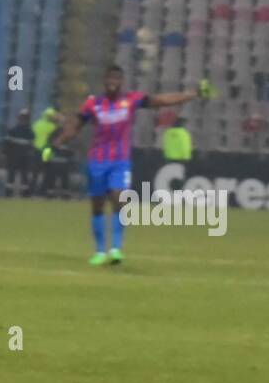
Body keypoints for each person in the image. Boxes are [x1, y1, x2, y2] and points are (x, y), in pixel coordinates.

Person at [44, 65, 213, 265]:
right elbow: (75, 128)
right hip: (97, 161)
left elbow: (163, 100)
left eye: (117, 78)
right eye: (110, 77)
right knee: (97, 206)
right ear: (105, 80)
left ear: (122, 81)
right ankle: (99, 251)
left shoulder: (131, 99)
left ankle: (116, 248)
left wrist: (193, 94)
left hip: (120, 161)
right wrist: (54, 145)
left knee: (119, 198)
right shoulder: (93, 103)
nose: (113, 81)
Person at [2, 109, 33, 195]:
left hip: (18, 157)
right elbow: (6, 144)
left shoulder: (15, 131)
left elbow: (6, 144)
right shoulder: (28, 132)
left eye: (25, 118)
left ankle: (14, 193)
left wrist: (5, 154)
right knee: (18, 175)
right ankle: (17, 193)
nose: (23, 120)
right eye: (23, 118)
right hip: (18, 157)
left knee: (21, 175)